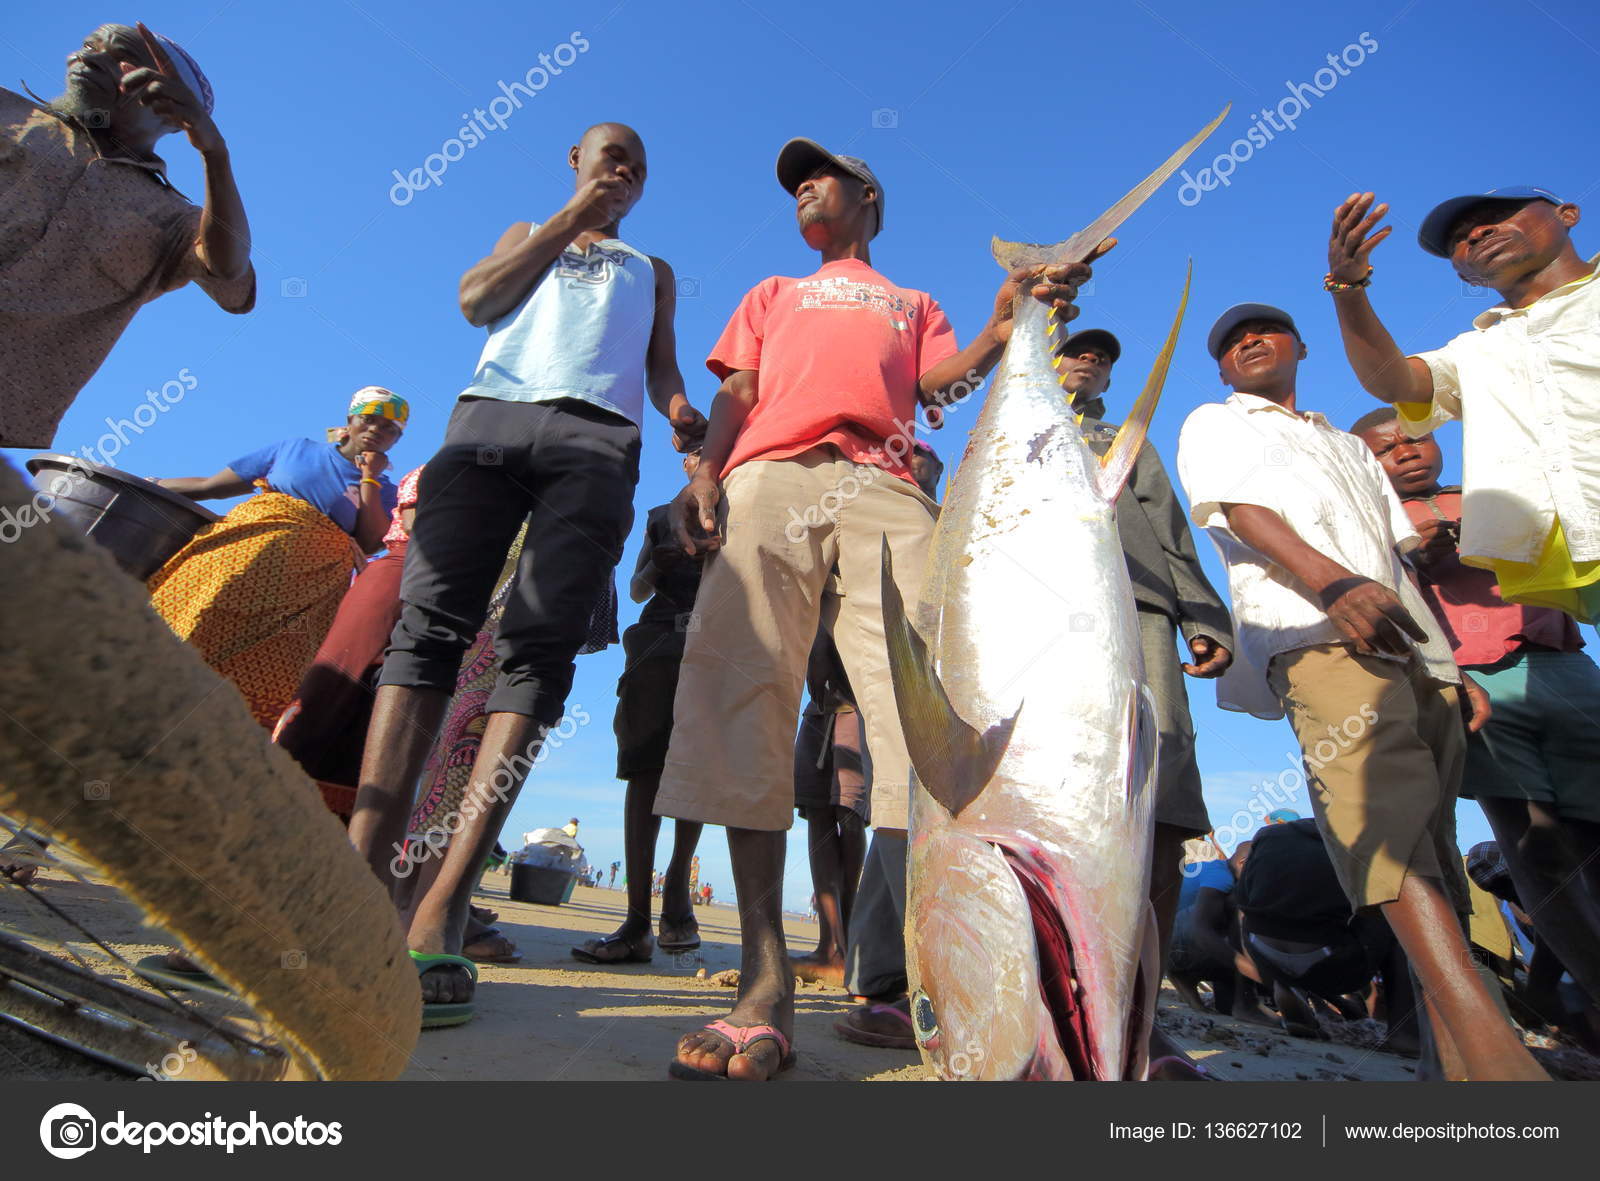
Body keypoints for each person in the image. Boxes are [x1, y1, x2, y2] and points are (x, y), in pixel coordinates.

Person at [658, 136, 1098, 1080]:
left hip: (889, 486)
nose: (803, 190)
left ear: (868, 197)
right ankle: (764, 979)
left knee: (924, 709)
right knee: (742, 695)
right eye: (794, 183)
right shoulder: (774, 291)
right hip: (769, 481)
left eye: (821, 175)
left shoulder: (914, 302)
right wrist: (703, 473)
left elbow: (942, 386)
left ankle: (957, 973)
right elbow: (737, 389)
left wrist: (1006, 320)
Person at [346, 123, 705, 1026]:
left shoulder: (650, 270)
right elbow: (478, 301)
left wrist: (680, 414)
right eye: (609, 155)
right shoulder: (526, 231)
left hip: (595, 440)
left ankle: (443, 908)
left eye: (638, 164)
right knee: (426, 630)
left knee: (537, 652)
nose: (624, 169)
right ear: (575, 162)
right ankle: (350, 891)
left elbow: (660, 362)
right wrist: (569, 222)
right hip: (489, 422)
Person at [1175, 302, 1545, 1080]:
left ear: (1301, 346)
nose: (1249, 342)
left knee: (1435, 846)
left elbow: (1398, 556)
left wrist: (1447, 665)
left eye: (1266, 330)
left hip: (1412, 647)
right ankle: (1495, 1049)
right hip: (1317, 633)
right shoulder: (1216, 422)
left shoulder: (1345, 442)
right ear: (1219, 368)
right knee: (1383, 833)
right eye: (1232, 341)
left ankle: (1455, 1059)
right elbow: (1243, 512)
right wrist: (1333, 585)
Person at [1354, 407, 1600, 1014]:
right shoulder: (1374, 523)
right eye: (1386, 450)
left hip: (1557, 663)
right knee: (1533, 841)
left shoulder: (1486, 498)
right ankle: (1590, 990)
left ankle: (1551, 991)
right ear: (1366, 464)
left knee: (1590, 834)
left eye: (1416, 439)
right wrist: (1414, 558)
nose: (1406, 452)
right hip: (1470, 680)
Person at [1054, 327, 1235, 1030]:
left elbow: (1172, 530)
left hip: (1143, 611)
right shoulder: (1004, 430)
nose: (1092, 360)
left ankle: (1137, 995)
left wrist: (1204, 617)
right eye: (1078, 351)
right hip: (1040, 616)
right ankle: (1054, 973)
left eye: (1103, 357)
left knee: (1162, 785)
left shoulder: (1127, 441)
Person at [1326, 187, 1599, 621]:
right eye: (1460, 237)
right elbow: (1390, 380)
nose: (1478, 233)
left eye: (1499, 214)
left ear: (1568, 214)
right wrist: (1347, 287)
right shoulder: (1473, 351)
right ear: (1465, 275)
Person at [2, 23, 253, 450]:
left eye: (122, 57)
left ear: (174, 112)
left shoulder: (172, 219)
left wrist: (215, 152)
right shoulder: (11, 115)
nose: (87, 57)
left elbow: (228, 271)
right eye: (86, 44)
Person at [151, 388, 404, 728]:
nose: (377, 430)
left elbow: (371, 541)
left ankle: (213, 730)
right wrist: (148, 483)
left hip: (307, 595)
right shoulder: (295, 450)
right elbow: (209, 486)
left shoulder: (388, 490)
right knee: (199, 618)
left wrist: (369, 477)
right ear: (350, 421)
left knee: (269, 666)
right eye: (369, 420)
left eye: (390, 428)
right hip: (238, 557)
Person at [573, 452, 707, 964]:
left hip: (714, 644)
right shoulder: (658, 517)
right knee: (644, 769)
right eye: (692, 450)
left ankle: (677, 890)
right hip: (655, 642)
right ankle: (636, 921)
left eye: (709, 447)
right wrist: (659, 562)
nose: (699, 457)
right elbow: (636, 588)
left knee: (694, 770)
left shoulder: (744, 509)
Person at [273, 463, 424, 817]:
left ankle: (328, 825)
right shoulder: (439, 472)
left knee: (377, 706)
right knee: (339, 681)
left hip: (426, 590)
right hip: (398, 580)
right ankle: (272, 796)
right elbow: (415, 524)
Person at [1233, 819, 1420, 1054]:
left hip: (1265, 957)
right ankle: (1404, 1034)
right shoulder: (1366, 841)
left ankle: (1285, 987)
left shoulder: (1268, 835)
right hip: (1330, 963)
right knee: (1399, 917)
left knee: (1266, 914)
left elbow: (1242, 901)